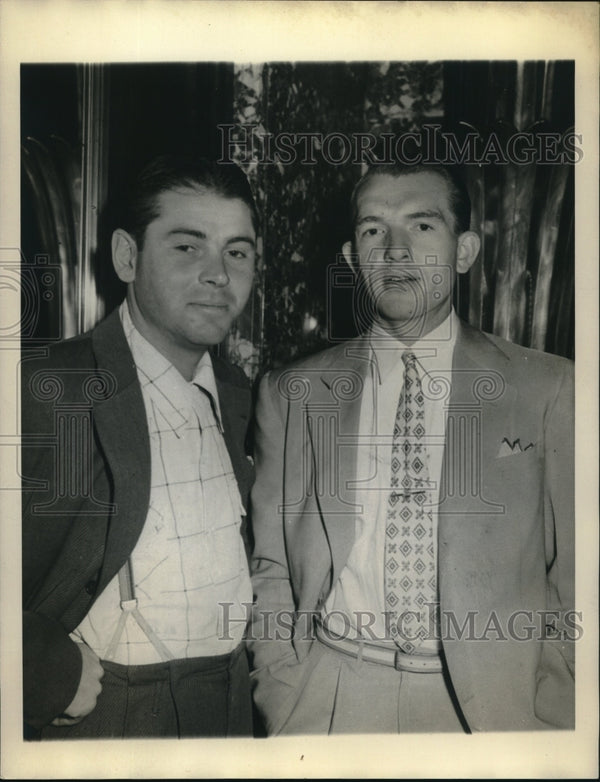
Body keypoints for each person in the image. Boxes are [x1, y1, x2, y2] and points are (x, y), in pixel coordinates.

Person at [248, 162, 574, 734]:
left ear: (465, 251)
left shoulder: (547, 388)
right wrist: (284, 690)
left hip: (490, 716)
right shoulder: (292, 394)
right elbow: (271, 568)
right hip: (329, 699)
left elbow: (578, 574)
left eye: (422, 227)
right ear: (352, 258)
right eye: (374, 230)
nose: (395, 251)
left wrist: (560, 712)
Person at [22, 155, 258, 738]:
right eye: (187, 247)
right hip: (106, 712)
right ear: (128, 257)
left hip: (228, 705)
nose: (219, 275)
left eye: (237, 251)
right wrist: (40, 669)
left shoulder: (242, 398)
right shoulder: (50, 390)